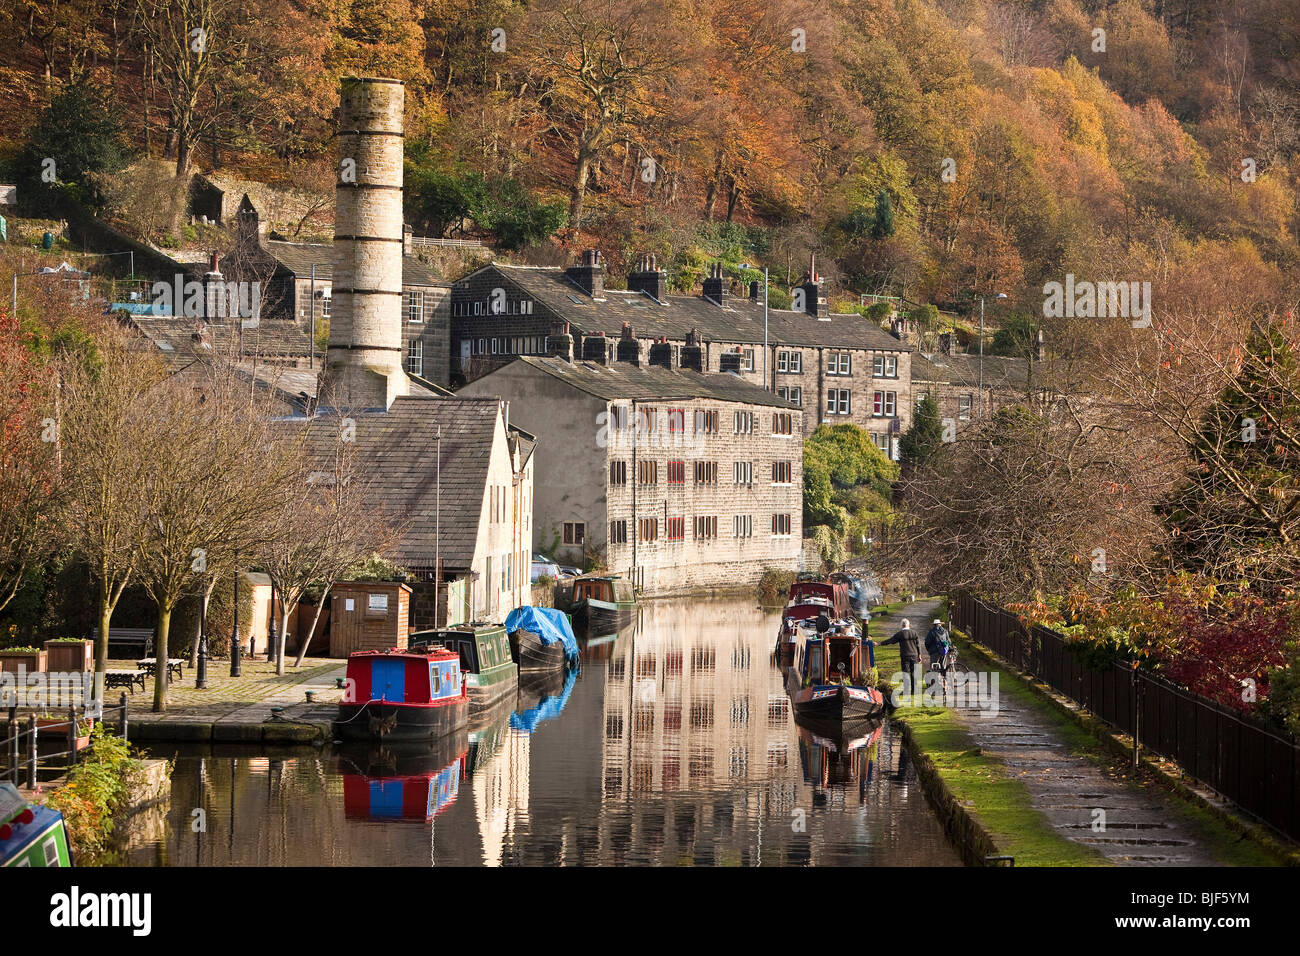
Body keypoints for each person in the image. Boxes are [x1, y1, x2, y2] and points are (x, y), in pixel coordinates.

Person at [872, 617, 922, 697]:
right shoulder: (914, 633)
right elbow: (918, 645)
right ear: (909, 625)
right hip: (914, 655)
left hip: (905, 655)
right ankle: (914, 691)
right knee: (914, 673)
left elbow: (890, 641)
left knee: (905, 673)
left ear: (902, 625)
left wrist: (879, 644)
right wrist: (919, 655)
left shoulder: (900, 634)